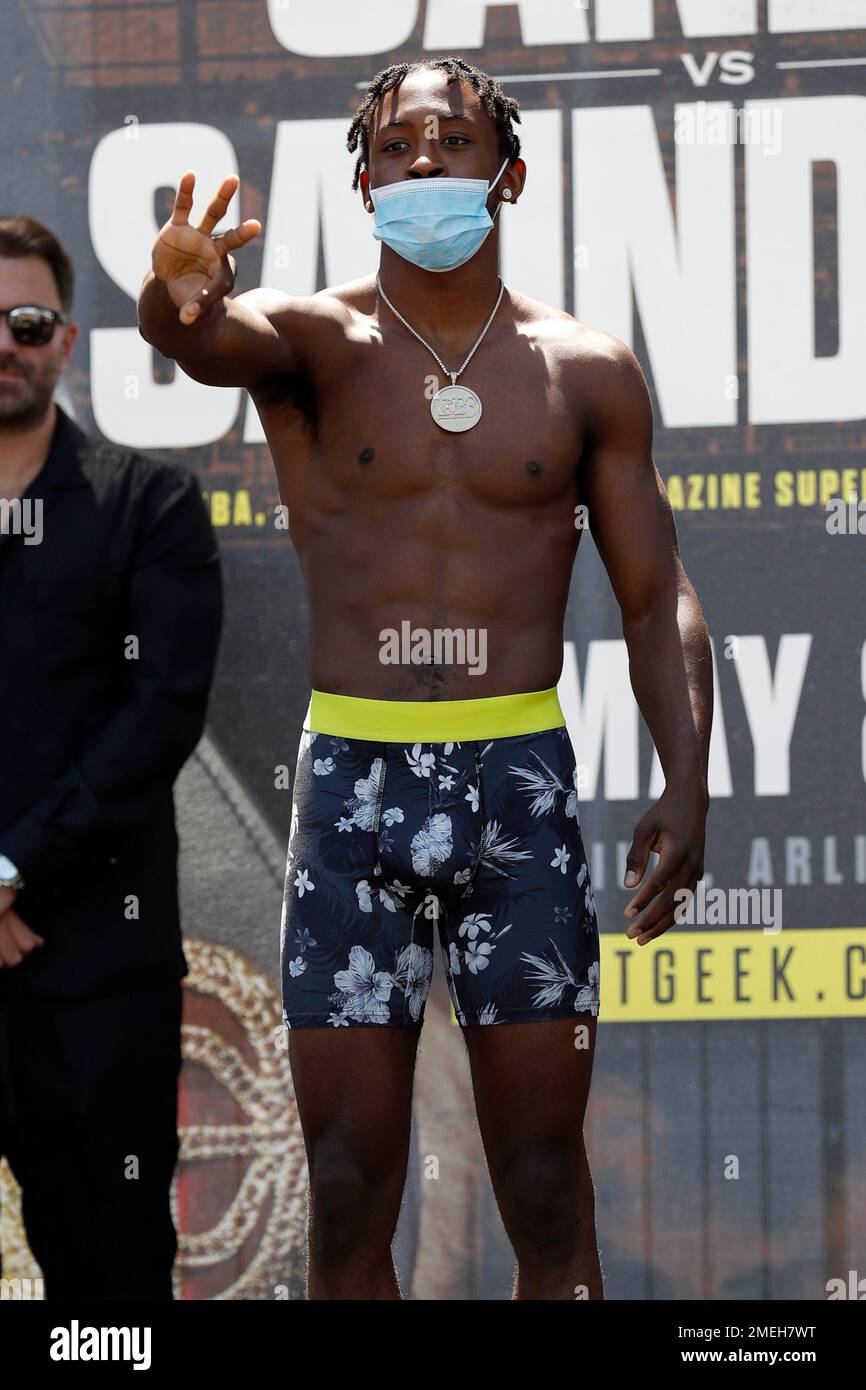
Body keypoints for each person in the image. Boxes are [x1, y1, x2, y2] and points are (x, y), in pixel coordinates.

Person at [137, 55, 712, 1301]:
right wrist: (169, 295)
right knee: (346, 1180)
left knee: (545, 1181)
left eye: (451, 144)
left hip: (517, 783)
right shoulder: (312, 343)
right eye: (397, 149)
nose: (423, 167)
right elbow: (196, 339)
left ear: (505, 173)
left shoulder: (584, 370)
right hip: (354, 785)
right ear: (362, 181)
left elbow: (653, 590)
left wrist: (687, 777)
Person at [0, 216, 223, 1299]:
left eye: (27, 320)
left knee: (110, 1284)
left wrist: (9, 870)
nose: (5, 341)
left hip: (93, 969)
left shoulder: (149, 508)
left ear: (67, 341)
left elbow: (157, 717)